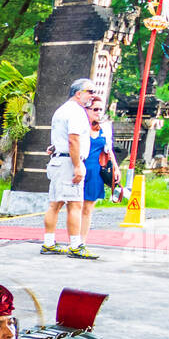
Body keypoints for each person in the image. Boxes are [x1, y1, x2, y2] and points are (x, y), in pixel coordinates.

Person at [41, 79, 94, 257]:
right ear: (78, 93)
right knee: (75, 204)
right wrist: (78, 165)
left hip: (59, 160)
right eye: (90, 91)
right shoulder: (76, 112)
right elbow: (74, 139)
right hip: (69, 162)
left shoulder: (61, 110)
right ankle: (75, 245)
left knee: (55, 204)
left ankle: (49, 242)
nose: (92, 96)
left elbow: (61, 138)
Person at [73, 97, 120, 261]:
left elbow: (109, 149)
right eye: (95, 109)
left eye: (101, 109)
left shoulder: (105, 128)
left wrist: (115, 167)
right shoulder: (80, 127)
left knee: (88, 208)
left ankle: (82, 241)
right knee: (75, 206)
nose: (98, 112)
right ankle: (73, 241)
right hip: (80, 168)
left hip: (96, 172)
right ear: (87, 110)